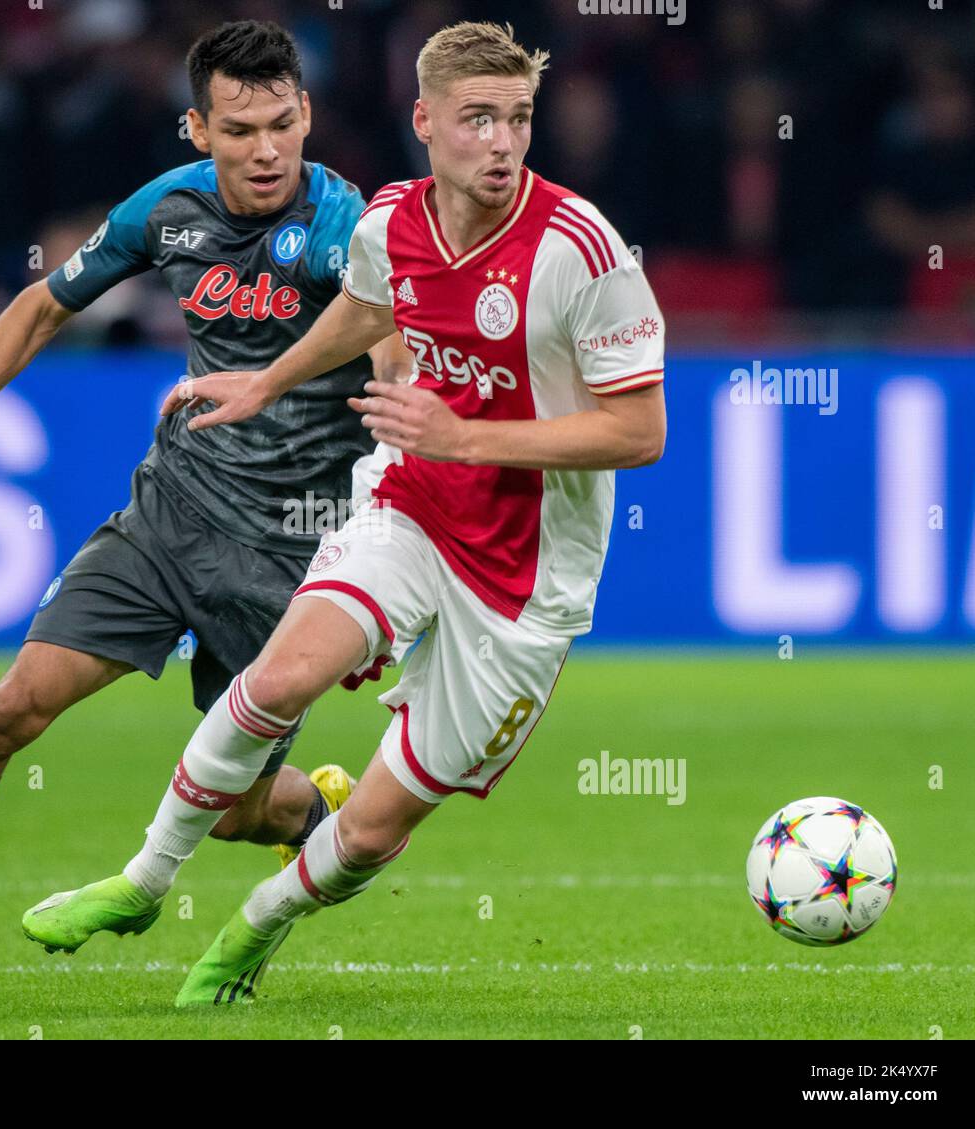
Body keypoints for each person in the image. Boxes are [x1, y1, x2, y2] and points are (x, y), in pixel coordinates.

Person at [0, 19, 408, 982]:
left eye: (280, 124)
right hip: (170, 519)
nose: (264, 150)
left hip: (289, 563)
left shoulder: (347, 228)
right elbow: (40, 306)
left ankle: (311, 809)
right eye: (237, 130)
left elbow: (391, 351)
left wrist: (384, 546)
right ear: (197, 130)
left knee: (234, 811)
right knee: (13, 705)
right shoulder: (168, 209)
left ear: (306, 113)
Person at [40, 19, 668, 1006]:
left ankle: (253, 929)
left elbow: (637, 432)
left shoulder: (581, 252)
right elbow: (368, 308)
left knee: (372, 828)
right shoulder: (390, 222)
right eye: (477, 120)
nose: (500, 143)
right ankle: (145, 878)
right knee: (279, 673)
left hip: (528, 580)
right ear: (425, 121)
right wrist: (262, 378)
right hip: (413, 504)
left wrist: (469, 438)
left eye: (516, 120)